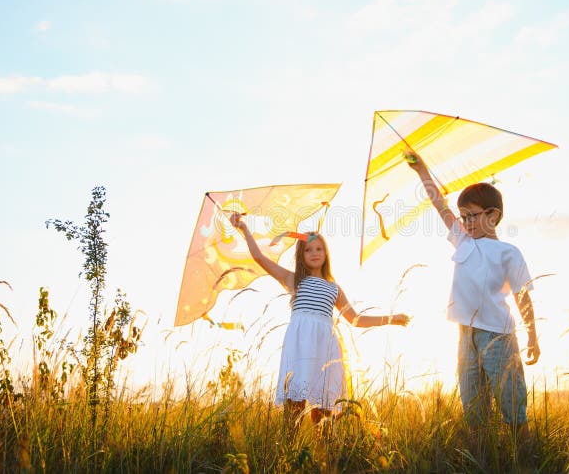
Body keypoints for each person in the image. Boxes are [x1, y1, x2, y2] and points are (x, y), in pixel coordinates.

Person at [229, 213, 410, 432]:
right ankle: (289, 455)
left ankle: (325, 457)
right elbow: (260, 258)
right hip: (299, 347)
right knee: (294, 406)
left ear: (326, 253)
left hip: (325, 349)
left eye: (319, 248)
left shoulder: (334, 288)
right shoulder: (294, 280)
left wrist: (391, 319)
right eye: (308, 249)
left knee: (323, 410)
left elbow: (356, 319)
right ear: (301, 255)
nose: (314, 253)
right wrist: (244, 229)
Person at [406, 152, 540, 438]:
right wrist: (422, 171)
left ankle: (524, 454)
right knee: (473, 404)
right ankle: (483, 455)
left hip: (498, 334)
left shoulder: (508, 252)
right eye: (463, 216)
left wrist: (533, 336)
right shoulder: (462, 240)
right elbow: (438, 204)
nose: (465, 222)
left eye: (473, 216)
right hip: (465, 334)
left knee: (511, 398)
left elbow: (522, 296)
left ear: (493, 215)